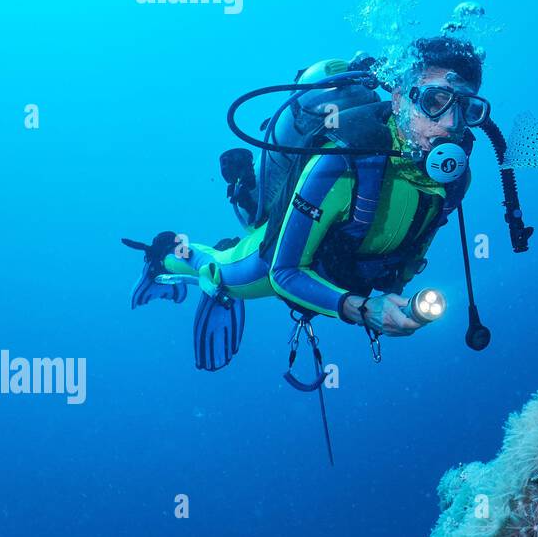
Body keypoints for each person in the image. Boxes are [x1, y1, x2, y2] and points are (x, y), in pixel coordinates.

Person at [124, 36, 489, 371]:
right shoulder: (341, 163)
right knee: (222, 273)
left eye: (468, 108)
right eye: (434, 102)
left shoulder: (455, 177)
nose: (451, 125)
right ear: (398, 99)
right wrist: (363, 310)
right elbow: (283, 273)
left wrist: (398, 298)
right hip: (278, 261)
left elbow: (415, 244)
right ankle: (165, 253)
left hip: (341, 267)